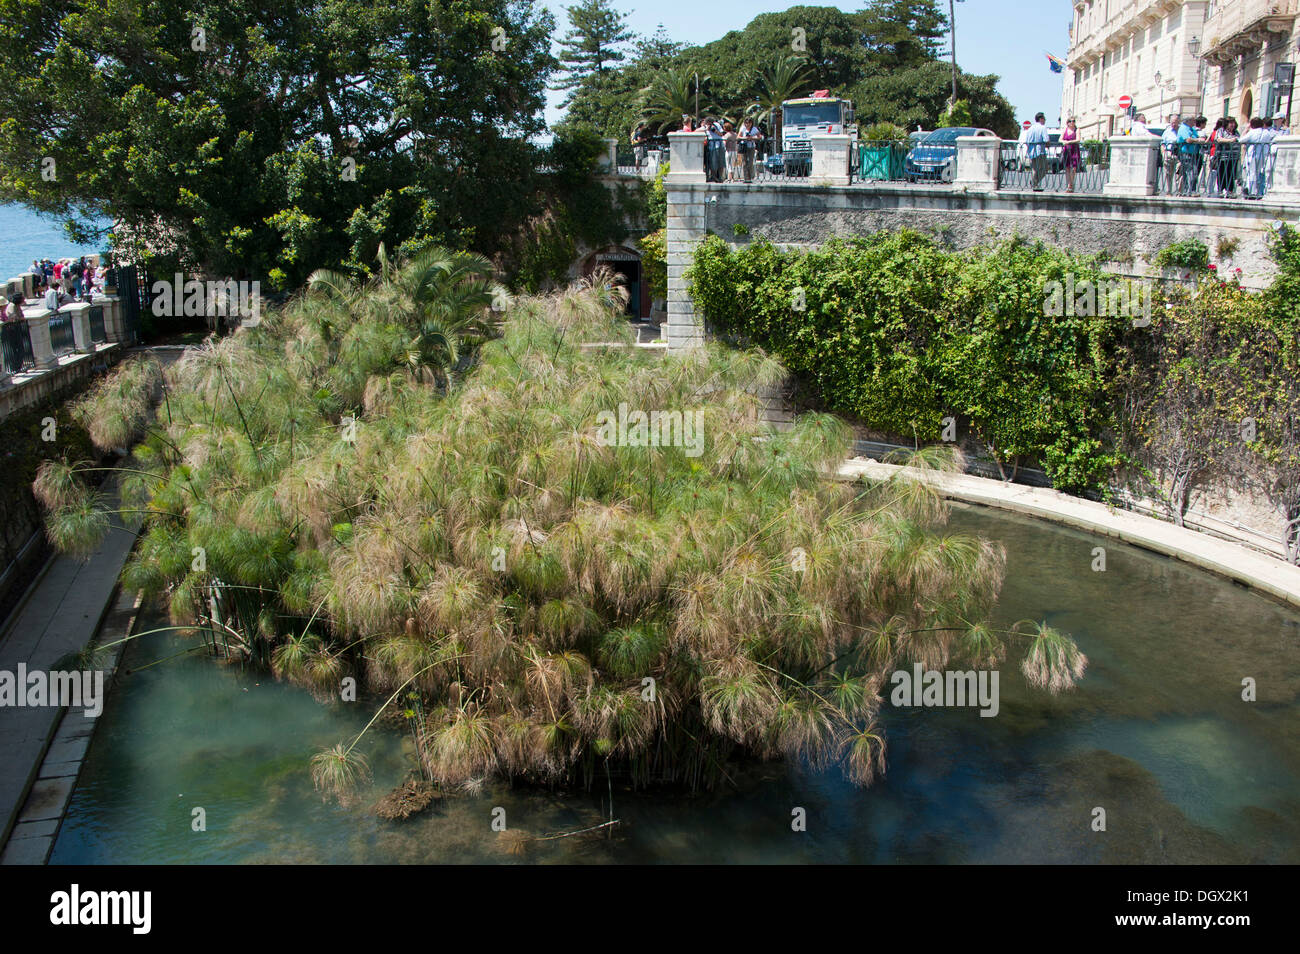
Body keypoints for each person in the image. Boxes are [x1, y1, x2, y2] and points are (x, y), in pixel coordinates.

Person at [1241, 117, 1270, 199]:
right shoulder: (1267, 132)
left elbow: (1241, 140)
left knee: (1251, 173)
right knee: (1257, 173)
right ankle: (1256, 191)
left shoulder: (1252, 132)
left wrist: (1246, 130)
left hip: (1252, 155)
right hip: (1262, 155)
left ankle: (1250, 191)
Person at [1026, 112, 1050, 191]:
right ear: (1041, 119)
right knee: (1045, 168)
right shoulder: (1042, 127)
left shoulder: (1030, 128)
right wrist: (1048, 145)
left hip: (1031, 151)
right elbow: (1046, 139)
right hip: (1040, 151)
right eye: (1044, 119)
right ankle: (1034, 183)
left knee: (1034, 169)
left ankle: (1034, 183)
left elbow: (1027, 141)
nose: (1045, 121)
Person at [738, 117, 762, 182]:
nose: (747, 124)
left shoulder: (754, 129)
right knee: (744, 162)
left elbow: (760, 136)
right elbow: (738, 136)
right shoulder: (743, 128)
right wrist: (745, 138)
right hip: (744, 146)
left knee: (750, 162)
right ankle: (746, 178)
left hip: (751, 146)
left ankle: (751, 176)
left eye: (749, 123)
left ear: (751, 123)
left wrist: (752, 138)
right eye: (746, 123)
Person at [1160, 115, 1180, 194]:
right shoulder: (1167, 131)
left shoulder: (1181, 130)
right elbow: (1162, 143)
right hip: (1169, 153)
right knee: (1168, 173)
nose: (1173, 124)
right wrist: (1163, 153)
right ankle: (1169, 191)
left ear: (1178, 122)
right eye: (1172, 123)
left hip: (1179, 153)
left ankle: (1179, 191)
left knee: (1179, 173)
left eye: (1175, 122)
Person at [1061, 118, 1081, 193]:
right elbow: (1060, 139)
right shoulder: (1065, 130)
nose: (1072, 122)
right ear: (1067, 123)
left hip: (1074, 150)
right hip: (1067, 150)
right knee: (1067, 168)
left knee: (1074, 168)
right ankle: (1069, 185)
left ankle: (1071, 184)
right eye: (1070, 121)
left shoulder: (1077, 130)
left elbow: (1078, 139)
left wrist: (1069, 141)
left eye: (1074, 121)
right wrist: (1064, 141)